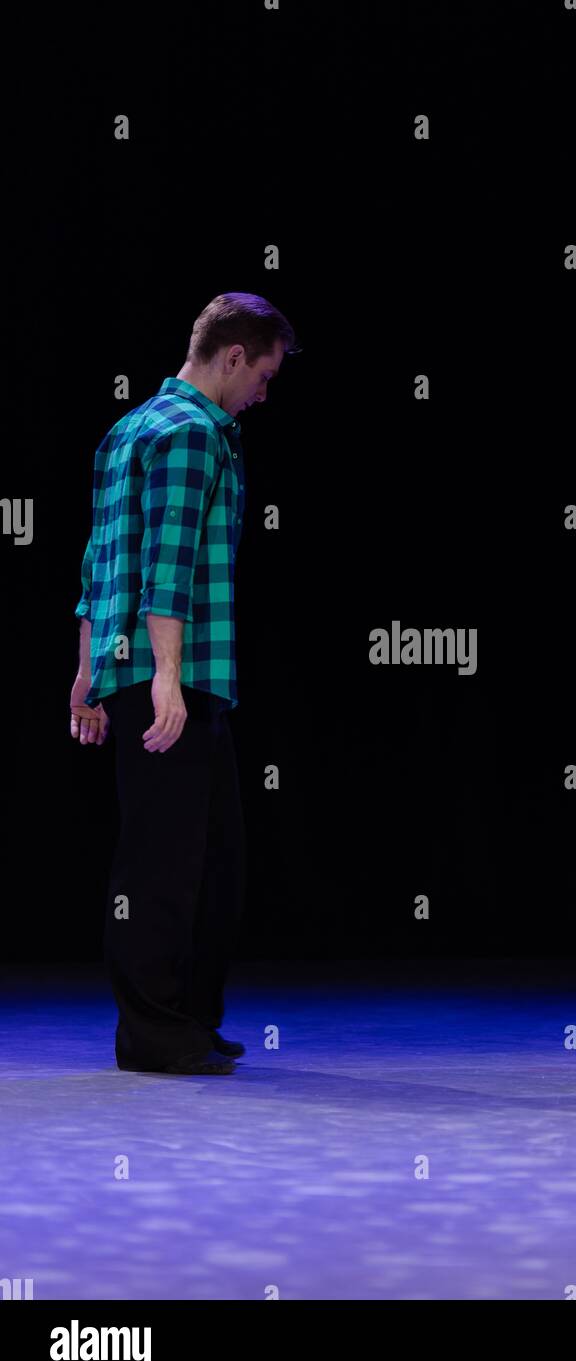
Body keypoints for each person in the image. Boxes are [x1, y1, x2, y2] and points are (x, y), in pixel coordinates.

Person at [69, 291, 299, 1075]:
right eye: (263, 376)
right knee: (167, 861)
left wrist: (86, 675)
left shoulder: (127, 427)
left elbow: (98, 566)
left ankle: (188, 1016)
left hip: (147, 672)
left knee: (211, 855)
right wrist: (165, 679)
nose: (264, 393)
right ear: (232, 357)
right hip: (177, 676)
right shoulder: (197, 434)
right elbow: (164, 571)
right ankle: (155, 1031)